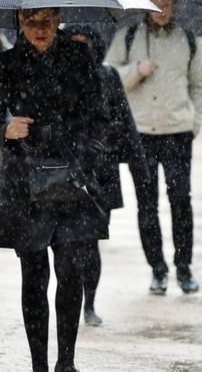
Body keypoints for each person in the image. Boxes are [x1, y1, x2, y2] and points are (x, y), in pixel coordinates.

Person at [0, 8, 109, 372]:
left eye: (47, 21)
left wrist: (86, 157)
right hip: (25, 182)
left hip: (72, 177)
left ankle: (65, 362)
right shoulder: (5, 64)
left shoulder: (79, 56)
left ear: (59, 21)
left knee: (71, 270)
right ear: (19, 23)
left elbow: (99, 119)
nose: (40, 30)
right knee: (34, 275)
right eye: (30, 22)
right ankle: (39, 363)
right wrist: (6, 130)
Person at [104, 0, 202, 295]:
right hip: (141, 135)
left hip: (178, 133)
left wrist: (194, 124)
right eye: (156, 3)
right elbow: (108, 77)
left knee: (181, 201)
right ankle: (158, 270)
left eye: (167, 3)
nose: (162, 10)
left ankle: (184, 268)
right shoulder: (129, 37)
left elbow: (200, 86)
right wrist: (137, 70)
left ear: (175, 5)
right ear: (145, 4)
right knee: (146, 205)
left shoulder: (188, 40)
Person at [62, 24, 155, 327]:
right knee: (64, 244)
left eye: (86, 45)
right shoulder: (54, 77)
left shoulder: (107, 77)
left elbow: (125, 123)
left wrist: (139, 167)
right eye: (74, 44)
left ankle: (89, 304)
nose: (81, 51)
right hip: (62, 171)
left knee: (91, 241)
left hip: (101, 171)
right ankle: (67, 302)